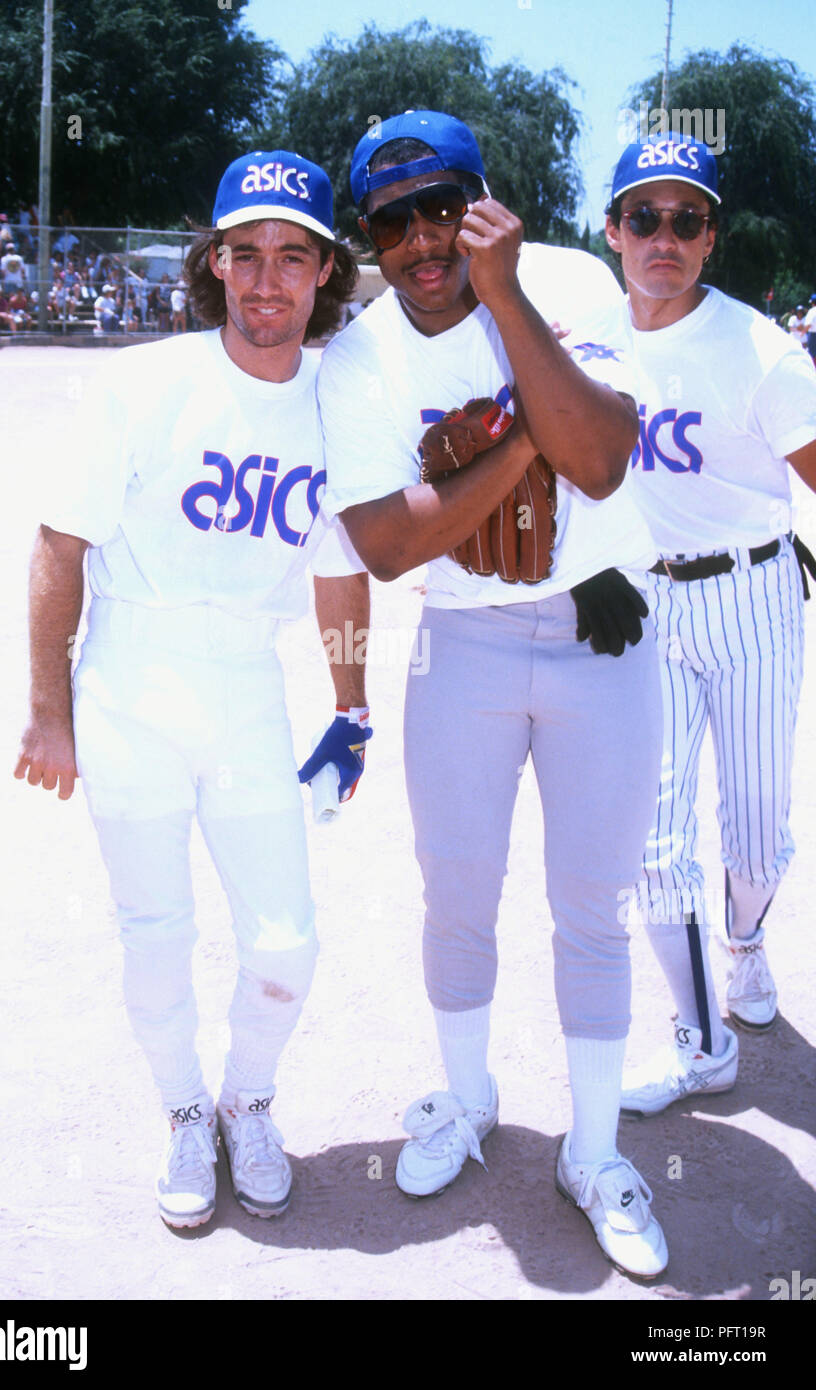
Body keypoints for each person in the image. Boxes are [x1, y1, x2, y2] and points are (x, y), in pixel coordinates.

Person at [317, 110, 669, 1279]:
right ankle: (466, 1102)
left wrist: (504, 295)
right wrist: (523, 445)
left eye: (441, 207)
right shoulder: (363, 356)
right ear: (367, 237)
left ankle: (595, 1150)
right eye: (392, 222)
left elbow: (602, 457)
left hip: (597, 637)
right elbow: (386, 545)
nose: (422, 240)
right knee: (457, 891)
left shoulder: (562, 279)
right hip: (460, 642)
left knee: (591, 905)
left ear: (483, 201)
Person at [14, 148, 370, 1231]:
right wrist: (49, 712)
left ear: (325, 273)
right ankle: (181, 1112)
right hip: (130, 680)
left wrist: (351, 707)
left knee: (287, 939)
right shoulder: (143, 383)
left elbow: (339, 565)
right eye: (244, 253)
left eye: (293, 256)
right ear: (213, 262)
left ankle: (247, 1102)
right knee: (156, 931)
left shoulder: (337, 400)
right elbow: (60, 545)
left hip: (248, 686)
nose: (267, 279)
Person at [602, 138, 816, 1116]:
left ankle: (746, 940)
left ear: (711, 237)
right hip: (643, 603)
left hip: (752, 596)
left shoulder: (763, 354)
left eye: (686, 219)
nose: (665, 237)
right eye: (643, 217)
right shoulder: (585, 343)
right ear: (612, 231)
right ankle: (700, 1040)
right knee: (652, 841)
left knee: (757, 835)